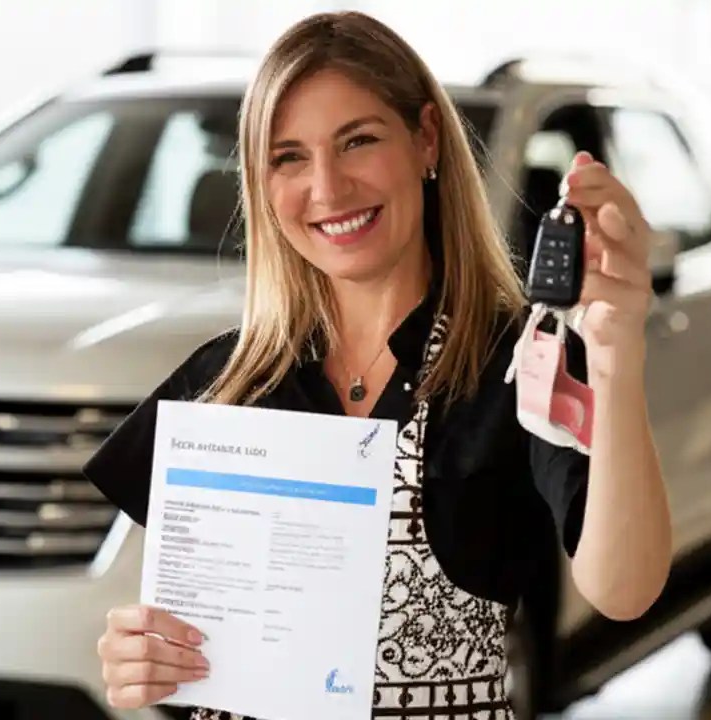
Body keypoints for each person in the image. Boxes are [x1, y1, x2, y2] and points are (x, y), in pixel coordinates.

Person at [83, 10, 671, 719]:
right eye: (289, 157)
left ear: (426, 139)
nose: (327, 189)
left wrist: (618, 354)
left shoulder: (516, 364)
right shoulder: (226, 383)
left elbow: (626, 587)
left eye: (357, 141)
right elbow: (184, 638)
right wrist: (136, 656)